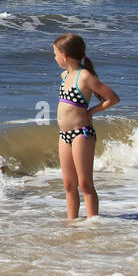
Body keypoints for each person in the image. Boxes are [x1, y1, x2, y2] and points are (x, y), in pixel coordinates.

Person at [53, 33, 120, 220]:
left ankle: (93, 224)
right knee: (68, 184)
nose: (54, 58)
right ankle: (71, 222)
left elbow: (112, 98)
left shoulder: (84, 77)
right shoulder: (64, 75)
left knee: (85, 184)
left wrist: (91, 112)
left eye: (55, 54)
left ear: (65, 56)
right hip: (64, 135)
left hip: (81, 133)